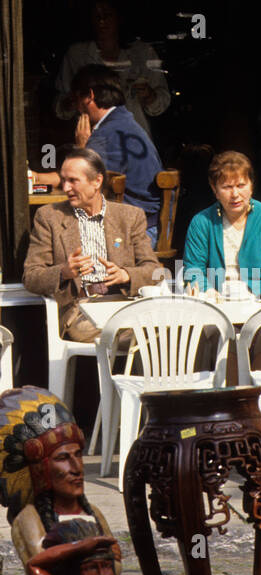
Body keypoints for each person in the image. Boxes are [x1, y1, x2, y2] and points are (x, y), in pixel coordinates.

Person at [1, 390, 121, 575]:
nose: (77, 468)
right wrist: (88, 550)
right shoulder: (29, 520)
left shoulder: (94, 513)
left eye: (78, 455)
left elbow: (116, 559)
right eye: (63, 458)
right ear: (41, 470)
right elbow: (46, 567)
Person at [23, 147, 161, 343]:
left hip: (124, 303)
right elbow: (31, 277)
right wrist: (64, 272)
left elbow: (155, 271)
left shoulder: (130, 216)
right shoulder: (49, 217)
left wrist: (126, 275)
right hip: (79, 308)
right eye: (63, 180)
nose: (66, 187)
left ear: (97, 181)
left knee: (160, 325)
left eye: (73, 181)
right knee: (148, 332)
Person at [69, 65, 164, 243]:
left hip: (134, 234)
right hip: (149, 224)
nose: (76, 108)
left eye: (76, 100)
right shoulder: (124, 123)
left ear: (90, 96)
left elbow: (82, 184)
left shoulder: (107, 133)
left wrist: (82, 148)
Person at [182, 151, 261, 297]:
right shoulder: (201, 222)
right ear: (214, 189)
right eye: (227, 187)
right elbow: (193, 270)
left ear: (251, 185)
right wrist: (208, 292)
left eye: (241, 185)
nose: (235, 194)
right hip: (216, 301)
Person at [54, 1, 169, 136]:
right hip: (93, 140)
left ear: (119, 17)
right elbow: (60, 103)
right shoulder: (77, 55)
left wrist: (149, 96)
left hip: (134, 141)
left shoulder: (143, 53)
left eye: (107, 15)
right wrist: (71, 102)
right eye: (97, 16)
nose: (102, 20)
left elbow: (162, 100)